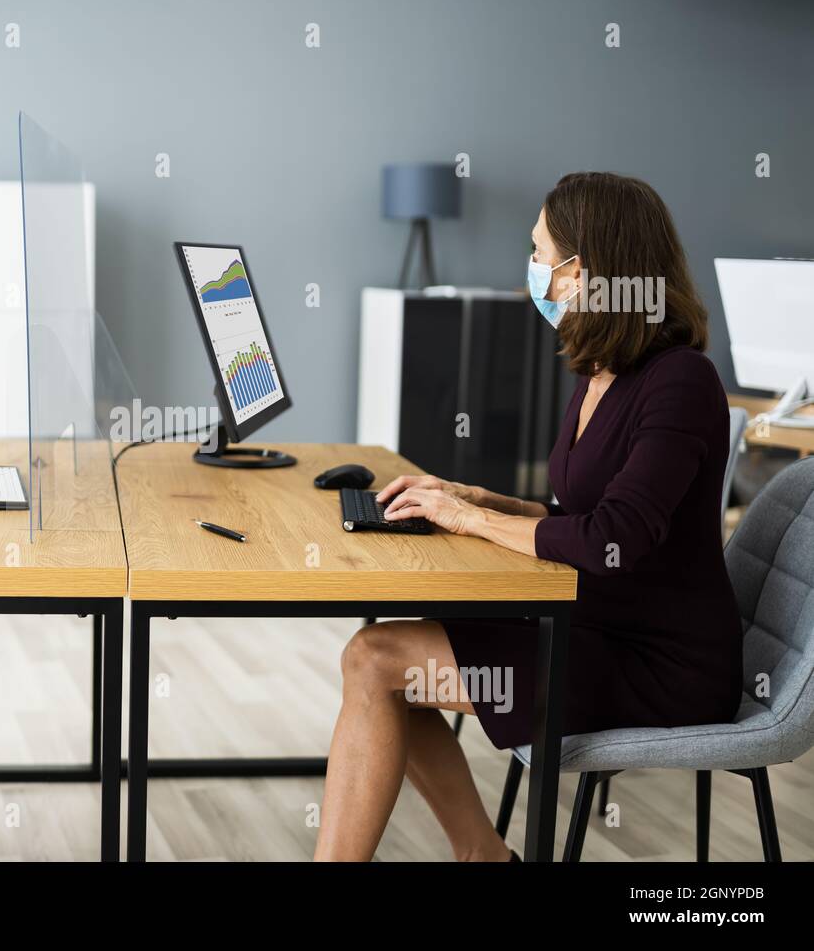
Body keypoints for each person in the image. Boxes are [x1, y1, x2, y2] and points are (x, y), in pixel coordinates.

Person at [314, 172, 742, 862]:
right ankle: (485, 854)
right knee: (378, 662)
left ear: (590, 267)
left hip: (657, 663)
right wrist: (485, 501)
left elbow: (613, 539)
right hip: (590, 620)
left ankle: (481, 855)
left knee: (374, 660)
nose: (534, 270)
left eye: (541, 253)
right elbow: (579, 512)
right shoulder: (602, 370)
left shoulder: (681, 383)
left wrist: (467, 520)